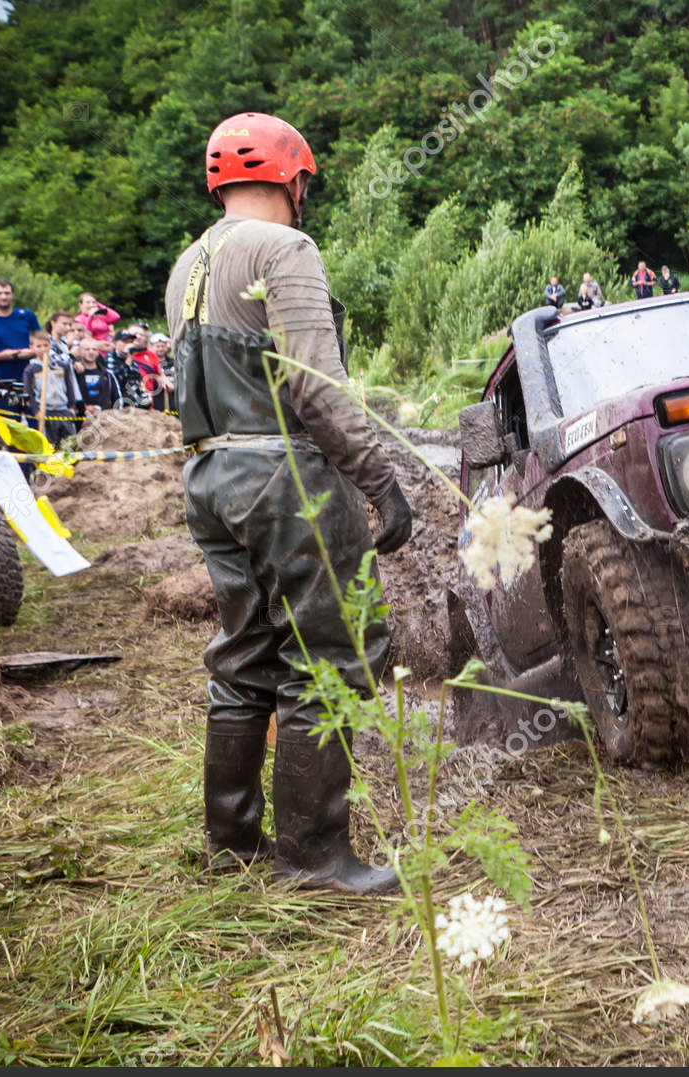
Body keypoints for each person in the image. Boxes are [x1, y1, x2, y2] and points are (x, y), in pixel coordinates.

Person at [167, 111, 411, 894]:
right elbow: (317, 387)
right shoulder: (285, 248)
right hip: (282, 478)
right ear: (292, 177)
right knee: (333, 652)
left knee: (243, 655)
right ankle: (313, 860)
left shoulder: (186, 264)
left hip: (208, 477)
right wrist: (378, 479)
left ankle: (231, 842)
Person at [20, 329, 83, 443]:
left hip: (64, 410)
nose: (43, 349)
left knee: (69, 442)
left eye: (45, 345)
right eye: (39, 346)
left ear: (50, 345)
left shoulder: (61, 366)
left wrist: (72, 407)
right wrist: (36, 411)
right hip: (45, 411)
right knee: (50, 443)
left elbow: (70, 387)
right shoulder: (31, 369)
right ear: (32, 347)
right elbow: (28, 393)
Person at [0, 280, 42, 383]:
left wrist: (33, 352)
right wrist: (2, 356)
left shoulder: (28, 316)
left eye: (7, 293)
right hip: (0, 382)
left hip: (32, 379)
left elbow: (45, 345)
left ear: (12, 295)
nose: (4, 297)